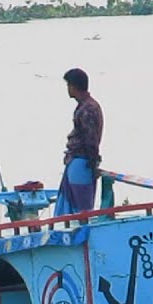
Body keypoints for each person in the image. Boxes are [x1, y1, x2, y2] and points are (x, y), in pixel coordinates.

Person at [55, 68, 105, 216]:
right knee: (75, 207)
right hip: (79, 161)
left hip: (82, 162)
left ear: (74, 86)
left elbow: (91, 140)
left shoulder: (88, 109)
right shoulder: (86, 106)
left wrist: (93, 163)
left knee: (80, 210)